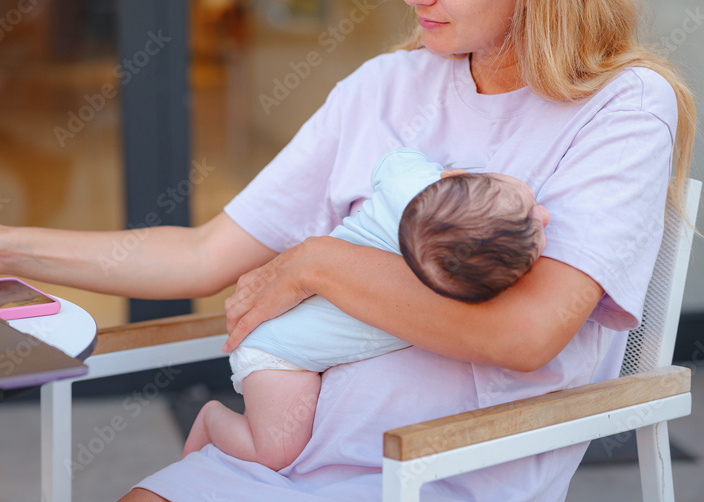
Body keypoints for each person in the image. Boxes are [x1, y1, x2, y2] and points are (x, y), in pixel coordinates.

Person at [0, 0, 695, 501]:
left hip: (432, 475)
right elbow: (203, 253)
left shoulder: (623, 108)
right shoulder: (385, 86)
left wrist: (317, 263)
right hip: (281, 458)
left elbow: (527, 334)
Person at [183, 148, 550, 471]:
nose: (544, 214)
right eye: (530, 209)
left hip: (287, 328)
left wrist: (433, 175)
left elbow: (392, 160)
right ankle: (211, 420)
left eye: (534, 228)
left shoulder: (412, 188)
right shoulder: (447, 283)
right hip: (278, 353)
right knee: (276, 452)